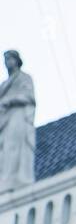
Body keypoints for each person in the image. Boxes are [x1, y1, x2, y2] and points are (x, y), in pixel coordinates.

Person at [0, 50, 36, 192]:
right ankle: (6, 178)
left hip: (18, 115)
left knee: (14, 145)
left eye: (10, 59)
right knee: (4, 150)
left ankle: (15, 178)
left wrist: (10, 100)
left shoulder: (24, 78)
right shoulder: (3, 85)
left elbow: (29, 97)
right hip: (4, 120)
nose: (7, 62)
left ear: (16, 60)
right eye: (5, 59)